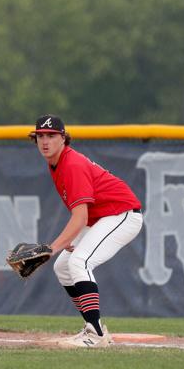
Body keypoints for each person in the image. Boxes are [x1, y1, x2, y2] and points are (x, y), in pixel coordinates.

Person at [30, 115, 143, 348]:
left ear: (63, 139)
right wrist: (68, 241)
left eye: (51, 136)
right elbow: (83, 217)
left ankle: (96, 334)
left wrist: (52, 248)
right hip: (102, 218)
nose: (45, 141)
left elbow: (79, 216)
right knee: (63, 267)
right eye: (40, 136)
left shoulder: (71, 164)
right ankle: (93, 327)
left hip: (121, 214)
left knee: (79, 262)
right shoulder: (56, 162)